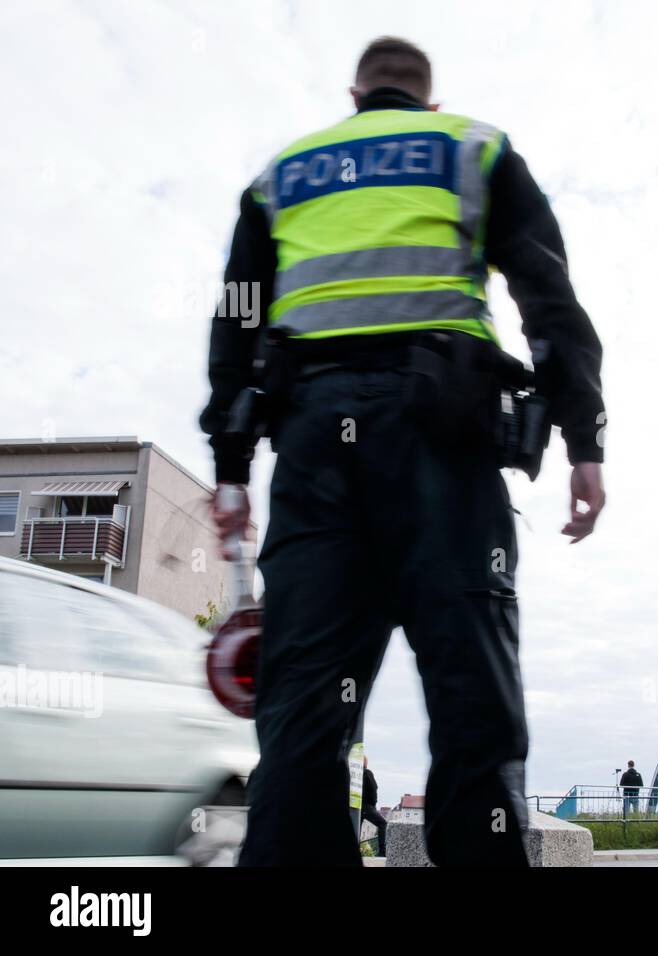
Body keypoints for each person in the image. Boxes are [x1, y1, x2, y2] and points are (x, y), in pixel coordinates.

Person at [202, 36, 607, 866]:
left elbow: (237, 315)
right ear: (428, 99)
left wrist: (232, 469)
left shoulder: (281, 174)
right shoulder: (473, 148)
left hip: (317, 448)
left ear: (354, 95)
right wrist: (583, 437)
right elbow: (546, 294)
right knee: (474, 704)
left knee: (304, 710)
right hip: (445, 440)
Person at [361, 758, 387, 858]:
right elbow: (373, 788)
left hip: (356, 806)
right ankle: (382, 852)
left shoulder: (354, 774)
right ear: (365, 762)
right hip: (367, 806)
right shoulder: (367, 773)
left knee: (356, 828)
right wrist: (373, 804)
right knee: (383, 824)